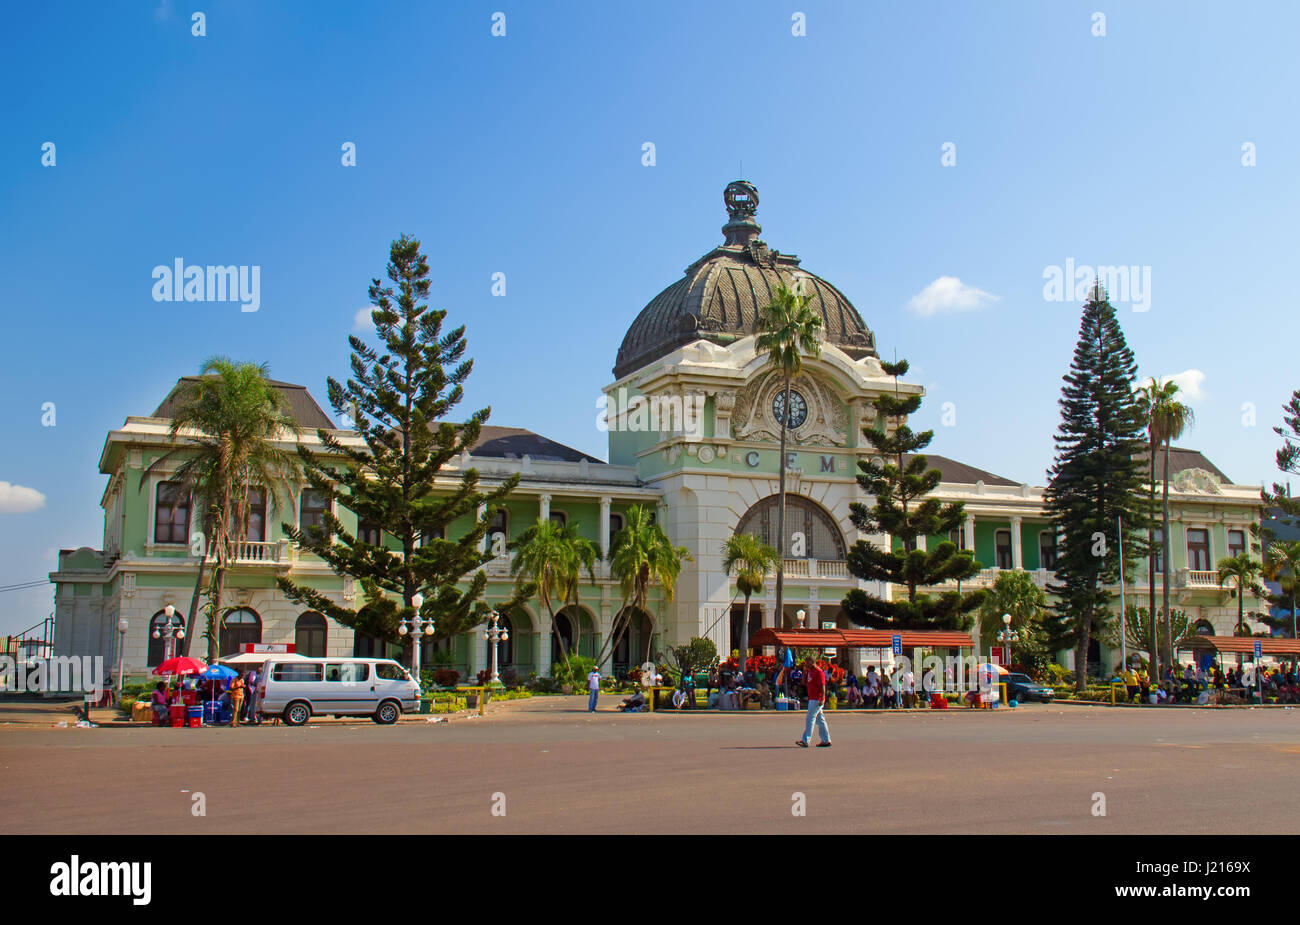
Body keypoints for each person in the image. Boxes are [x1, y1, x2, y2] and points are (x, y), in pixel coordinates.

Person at [795, 657, 831, 748]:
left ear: (812, 662)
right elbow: (805, 683)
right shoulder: (810, 671)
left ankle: (806, 740)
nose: (806, 665)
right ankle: (826, 740)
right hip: (811, 697)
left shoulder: (819, 672)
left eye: (807, 663)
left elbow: (823, 686)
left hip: (816, 699)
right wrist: (804, 673)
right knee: (820, 720)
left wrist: (822, 698)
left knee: (810, 718)